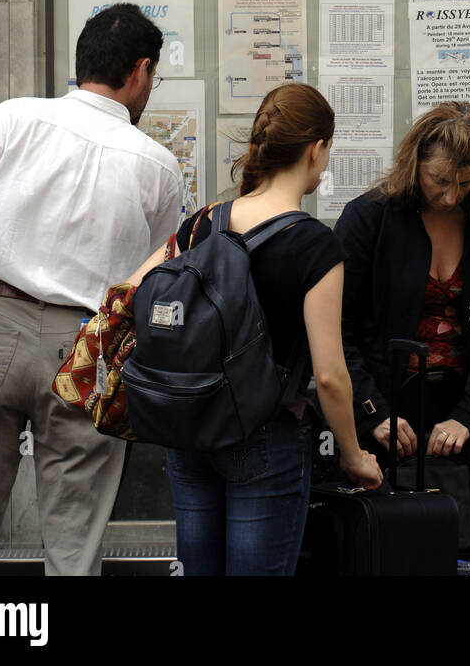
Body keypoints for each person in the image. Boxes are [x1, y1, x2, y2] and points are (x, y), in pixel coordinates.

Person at [0, 3, 184, 576]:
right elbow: (155, 276)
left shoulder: (13, 118)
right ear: (138, 71)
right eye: (152, 75)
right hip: (84, 348)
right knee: (73, 547)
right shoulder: (156, 165)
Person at [126, 81, 383, 576]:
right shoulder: (315, 246)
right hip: (263, 435)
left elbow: (131, 291)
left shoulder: (202, 223)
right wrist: (353, 456)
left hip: (189, 427)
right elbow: (330, 375)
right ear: (316, 149)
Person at [334, 100, 470, 571]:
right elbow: (338, 331)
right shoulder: (369, 218)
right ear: (413, 162)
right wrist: (371, 413)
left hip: (464, 412)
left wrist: (468, 417)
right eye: (439, 180)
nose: (450, 197)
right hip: (384, 412)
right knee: (387, 554)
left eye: (465, 182)